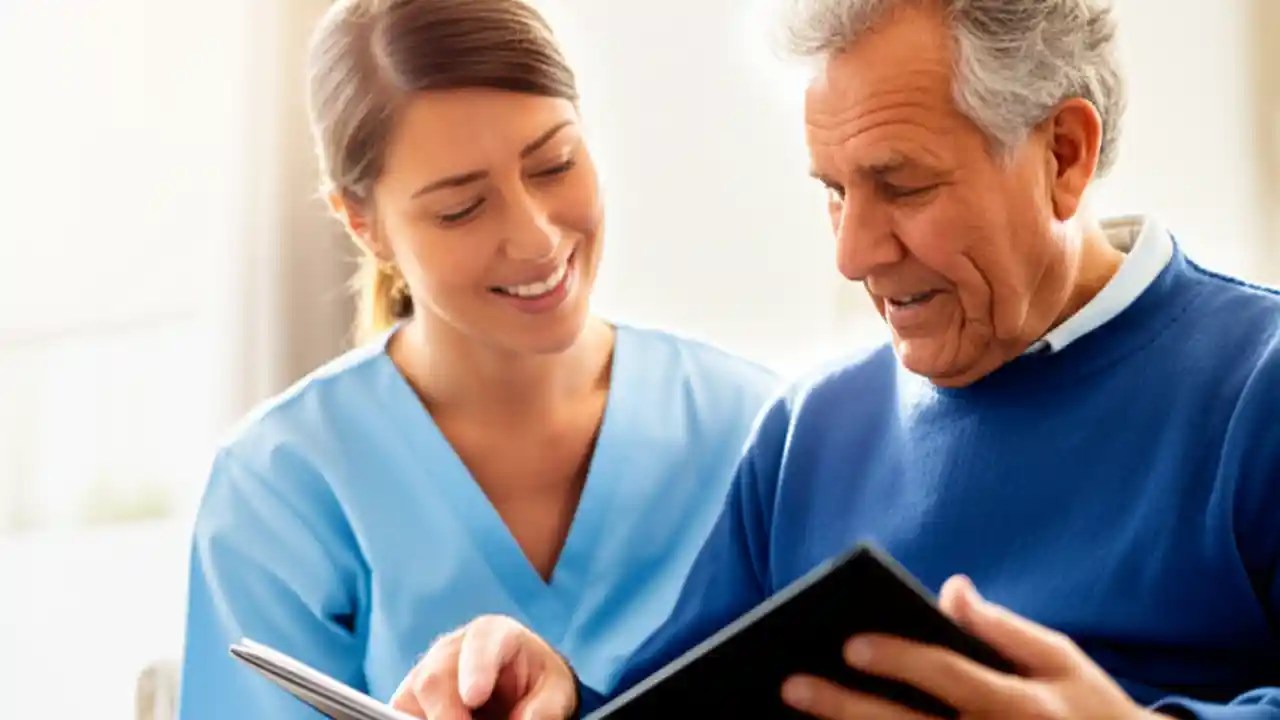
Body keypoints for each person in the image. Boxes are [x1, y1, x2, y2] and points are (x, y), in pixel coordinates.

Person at [390, 0, 1280, 718]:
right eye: (834, 190)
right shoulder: (806, 436)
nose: (852, 254)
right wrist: (554, 695)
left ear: (1063, 156)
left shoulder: (1255, 387)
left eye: (902, 184)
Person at [174, 0, 781, 717]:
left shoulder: (754, 428)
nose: (536, 240)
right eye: (461, 208)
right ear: (362, 223)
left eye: (554, 164)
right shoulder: (280, 488)